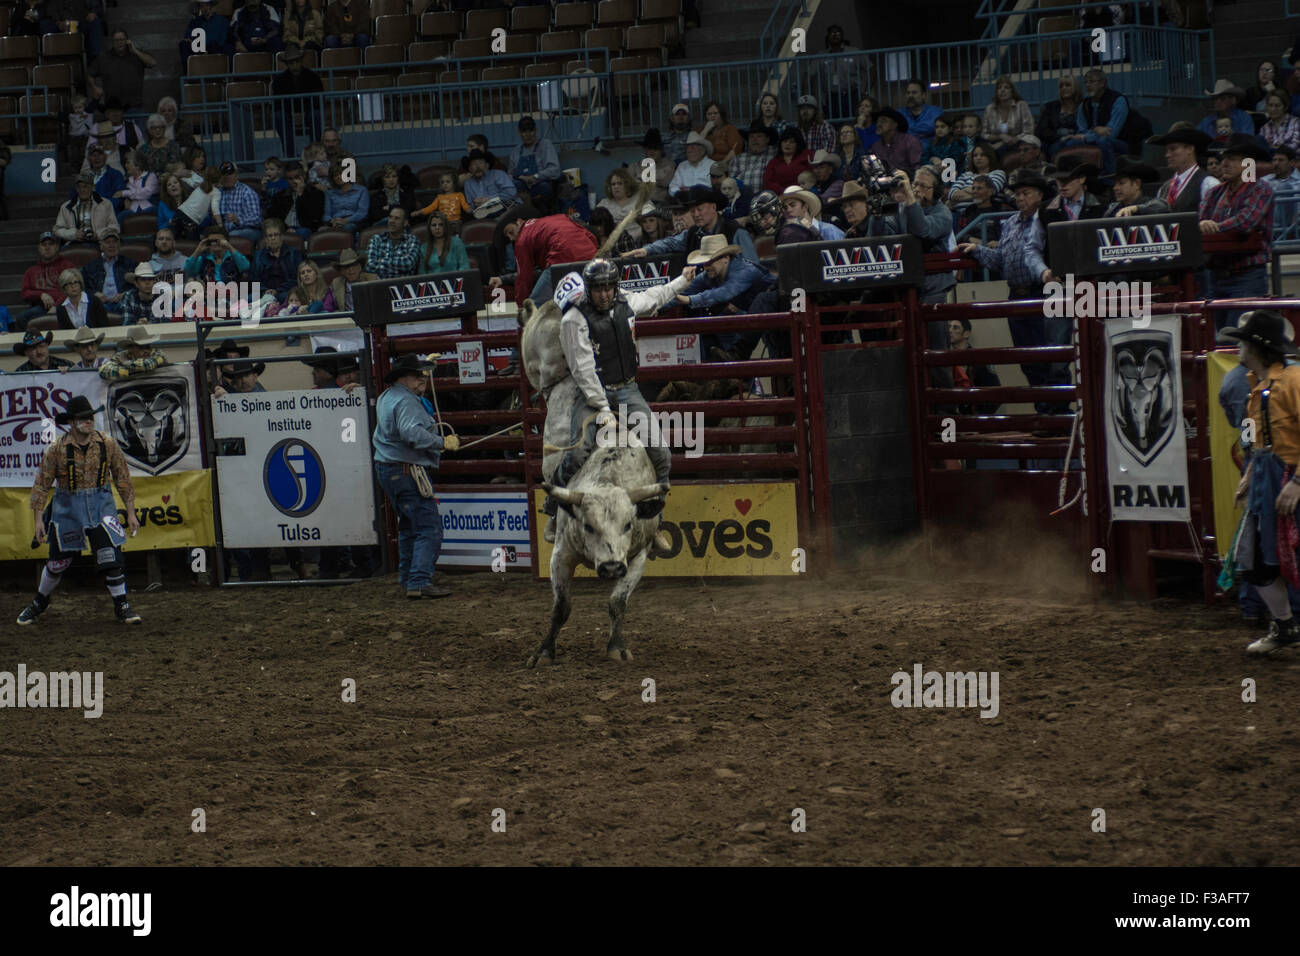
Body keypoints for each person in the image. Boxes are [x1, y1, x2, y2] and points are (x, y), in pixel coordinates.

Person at [541, 258, 693, 541]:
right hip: (592, 392)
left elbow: (653, 296)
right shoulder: (574, 320)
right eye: (599, 289)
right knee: (577, 452)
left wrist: (682, 281)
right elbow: (582, 369)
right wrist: (601, 408)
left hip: (626, 388)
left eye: (609, 287)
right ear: (589, 290)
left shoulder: (626, 304)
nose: (605, 294)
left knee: (660, 452)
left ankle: (654, 521)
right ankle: (552, 507)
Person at [17, 394, 142, 627]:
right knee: (58, 562)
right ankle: (39, 601)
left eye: (89, 417)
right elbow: (41, 485)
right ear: (71, 422)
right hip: (67, 507)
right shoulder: (56, 449)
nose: (88, 421)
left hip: (101, 504)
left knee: (111, 556)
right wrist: (38, 521)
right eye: (82, 418)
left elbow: (122, 478)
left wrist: (131, 512)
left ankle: (122, 604)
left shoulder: (107, 444)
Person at [1223, 310, 1300, 654]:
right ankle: (1285, 625)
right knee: (1255, 558)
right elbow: (1259, 441)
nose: (1237, 348)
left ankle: (1284, 624)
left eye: (1242, 342)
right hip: (1268, 478)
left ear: (1256, 347)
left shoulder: (1293, 382)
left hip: (1288, 476)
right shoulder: (1258, 385)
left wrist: (1297, 482)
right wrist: (1252, 475)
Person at [957, 171, 1064, 415]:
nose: (1020, 198)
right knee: (1028, 359)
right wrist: (978, 250)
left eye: (1026, 193)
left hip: (1043, 292)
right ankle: (1044, 411)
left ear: (1040, 195)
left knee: (1049, 356)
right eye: (1017, 194)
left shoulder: (1048, 219)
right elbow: (1002, 261)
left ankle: (1055, 412)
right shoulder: (1011, 222)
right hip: (1016, 295)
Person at [372, 354, 459, 598]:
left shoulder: (387, 397)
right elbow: (412, 434)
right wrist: (441, 442)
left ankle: (408, 576)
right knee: (428, 527)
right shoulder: (408, 402)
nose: (422, 380)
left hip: (389, 468)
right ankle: (419, 580)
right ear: (405, 378)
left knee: (409, 526)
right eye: (417, 375)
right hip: (406, 469)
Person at [1200, 135, 1275, 331]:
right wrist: (1205, 225)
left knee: (1239, 336)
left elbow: (1246, 222)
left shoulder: (1261, 189)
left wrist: (1213, 227)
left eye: (1232, 159)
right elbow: (1199, 224)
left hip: (1247, 276)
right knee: (1218, 339)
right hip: (1216, 275)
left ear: (1248, 163)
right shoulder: (1213, 193)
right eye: (1224, 158)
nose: (1224, 163)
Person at [677, 234, 776, 361]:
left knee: (783, 357)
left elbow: (723, 293)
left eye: (710, 261)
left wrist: (690, 300)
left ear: (726, 258)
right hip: (761, 320)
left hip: (781, 309)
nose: (705, 266)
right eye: (704, 263)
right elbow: (682, 292)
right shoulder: (709, 274)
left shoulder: (745, 271)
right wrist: (657, 300)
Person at [491, 207, 598, 306]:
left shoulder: (522, 239)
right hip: (590, 256)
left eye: (510, 232)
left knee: (534, 307)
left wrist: (521, 306)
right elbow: (589, 235)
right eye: (508, 237)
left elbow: (524, 277)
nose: (511, 239)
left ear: (519, 221)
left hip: (561, 259)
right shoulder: (559, 217)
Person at [632, 184, 758, 261]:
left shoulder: (736, 232)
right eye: (692, 211)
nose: (696, 214)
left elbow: (752, 268)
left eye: (700, 209)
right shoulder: (692, 233)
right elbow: (670, 243)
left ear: (713, 207)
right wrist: (646, 250)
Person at [1063, 68, 1130, 172]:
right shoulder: (1084, 104)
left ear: (1102, 83)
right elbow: (1081, 130)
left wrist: (1086, 137)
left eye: (1091, 81)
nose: (1088, 85)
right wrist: (1094, 132)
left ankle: (1109, 177)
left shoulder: (1118, 100)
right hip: (1093, 138)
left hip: (1120, 141)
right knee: (1070, 143)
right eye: (1086, 82)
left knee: (1103, 141)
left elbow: (1111, 133)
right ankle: (1079, 176)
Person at [1149, 124, 1219, 213]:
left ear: (1190, 149)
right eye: (1166, 150)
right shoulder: (1164, 189)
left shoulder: (1208, 184)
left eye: (1173, 149)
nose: (1167, 155)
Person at [271, 44, 324, 158]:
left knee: (316, 114)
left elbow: (318, 100)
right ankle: (290, 155)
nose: (295, 65)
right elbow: (277, 104)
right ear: (287, 64)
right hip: (288, 113)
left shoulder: (312, 77)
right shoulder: (279, 80)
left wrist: (303, 112)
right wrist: (293, 113)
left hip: (308, 111)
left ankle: (315, 153)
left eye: (296, 61)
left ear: (301, 61)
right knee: (279, 116)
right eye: (291, 63)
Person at [87, 29, 156, 111]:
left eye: (122, 39)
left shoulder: (136, 55)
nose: (119, 42)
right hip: (112, 107)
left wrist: (135, 51)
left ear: (127, 40)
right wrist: (94, 87)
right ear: (112, 42)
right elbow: (90, 73)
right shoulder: (104, 58)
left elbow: (152, 63)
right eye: (116, 40)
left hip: (134, 106)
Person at [19, 232, 75, 328]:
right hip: (41, 308)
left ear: (57, 247)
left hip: (65, 305)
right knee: (21, 318)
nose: (47, 247)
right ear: (39, 248)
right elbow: (25, 293)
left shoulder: (67, 265)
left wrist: (56, 306)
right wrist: (41, 294)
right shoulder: (31, 271)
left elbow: (72, 289)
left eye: (51, 244)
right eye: (44, 244)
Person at [508, 116, 562, 212]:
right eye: (524, 131)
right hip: (522, 187)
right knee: (512, 186)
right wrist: (521, 177)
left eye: (531, 130)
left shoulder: (545, 145)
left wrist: (536, 176)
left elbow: (555, 170)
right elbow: (510, 175)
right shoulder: (516, 151)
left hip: (540, 185)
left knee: (544, 188)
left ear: (536, 130)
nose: (528, 134)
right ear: (519, 132)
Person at [1040, 157, 1106, 224]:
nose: (1062, 185)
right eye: (1059, 180)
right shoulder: (1044, 210)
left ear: (1082, 179)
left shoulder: (1103, 206)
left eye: (1068, 179)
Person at [250, 218, 303, 302]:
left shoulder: (293, 253)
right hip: (264, 293)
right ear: (266, 239)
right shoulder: (258, 255)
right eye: (270, 236)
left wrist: (277, 290)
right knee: (244, 299)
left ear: (281, 237)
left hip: (285, 292)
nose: (273, 238)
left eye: (276, 235)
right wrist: (264, 290)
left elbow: (297, 278)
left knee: (286, 297)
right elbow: (254, 279)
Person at [56, 173, 116, 245]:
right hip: (74, 243)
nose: (82, 190)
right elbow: (57, 230)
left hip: (100, 243)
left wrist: (98, 234)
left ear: (93, 187)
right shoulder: (66, 207)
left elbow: (114, 227)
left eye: (85, 186)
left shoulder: (106, 204)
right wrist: (74, 234)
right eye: (79, 187)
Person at [983, 75, 1035, 158]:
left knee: (1002, 150)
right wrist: (1000, 137)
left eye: (1006, 88)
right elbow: (984, 134)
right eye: (999, 88)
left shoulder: (1021, 105)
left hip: (1018, 142)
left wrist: (1011, 140)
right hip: (995, 143)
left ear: (1012, 91)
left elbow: (1028, 131)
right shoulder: (990, 109)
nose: (1002, 90)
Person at [365, 207, 422, 279]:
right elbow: (369, 266)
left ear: (405, 223)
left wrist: (381, 261)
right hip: (380, 285)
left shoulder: (412, 240)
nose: (392, 221)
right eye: (390, 217)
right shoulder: (376, 239)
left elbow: (408, 264)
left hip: (403, 286)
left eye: (397, 218)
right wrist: (399, 265)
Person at [99, 324, 170, 380]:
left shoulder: (158, 353)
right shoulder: (121, 355)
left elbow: (147, 365)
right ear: (131, 348)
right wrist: (128, 371)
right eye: (141, 347)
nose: (146, 350)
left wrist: (125, 363)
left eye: (147, 346)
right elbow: (104, 370)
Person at [1036, 75, 1084, 158]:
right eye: (1061, 86)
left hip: (1077, 138)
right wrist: (1060, 137)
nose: (1064, 88)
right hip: (1055, 139)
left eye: (1068, 85)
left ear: (1075, 87)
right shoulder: (1050, 107)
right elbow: (1041, 130)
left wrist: (1073, 136)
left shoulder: (1084, 105)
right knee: (1051, 147)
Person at [215, 162, 264, 242]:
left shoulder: (247, 192)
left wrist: (238, 220)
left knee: (229, 236)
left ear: (236, 175)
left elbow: (257, 220)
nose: (226, 177)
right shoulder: (218, 193)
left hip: (246, 229)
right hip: (224, 230)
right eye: (224, 174)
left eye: (230, 174)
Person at [1104, 158, 1170, 217]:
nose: (1115, 188)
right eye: (1115, 184)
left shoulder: (1149, 204)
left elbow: (1163, 206)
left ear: (1137, 184)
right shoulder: (1112, 211)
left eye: (1121, 183)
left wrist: (1136, 208)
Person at [463, 149, 519, 216]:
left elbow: (511, 193)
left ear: (487, 165)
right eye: (473, 164)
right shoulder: (468, 184)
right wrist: (475, 205)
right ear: (469, 168)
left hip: (508, 206)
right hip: (484, 212)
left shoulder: (499, 174)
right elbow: (471, 206)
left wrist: (489, 200)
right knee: (479, 213)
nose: (478, 167)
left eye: (480, 163)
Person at [869, 106, 922, 176]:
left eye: (883, 121)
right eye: (878, 121)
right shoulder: (876, 146)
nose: (878, 124)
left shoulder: (910, 141)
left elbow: (917, 169)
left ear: (894, 125)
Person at [185, 227, 250, 282]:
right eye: (212, 241)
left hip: (231, 293)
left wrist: (229, 247)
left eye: (218, 240)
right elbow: (188, 271)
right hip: (209, 293)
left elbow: (245, 267)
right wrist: (198, 250)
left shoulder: (234, 257)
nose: (215, 243)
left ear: (225, 241)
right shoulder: (203, 259)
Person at [180, 0, 233, 68]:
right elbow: (188, 37)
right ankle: (190, 73)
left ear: (211, 6)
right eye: (202, 5)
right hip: (199, 50)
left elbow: (223, 40)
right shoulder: (195, 22)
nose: (204, 8)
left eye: (207, 5)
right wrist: (192, 42)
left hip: (216, 49)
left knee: (226, 47)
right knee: (183, 45)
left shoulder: (221, 21)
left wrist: (208, 48)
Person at [596, 167, 642, 243]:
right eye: (613, 184)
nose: (616, 187)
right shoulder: (604, 204)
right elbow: (594, 224)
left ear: (627, 185)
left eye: (620, 183)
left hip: (637, 241)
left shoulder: (639, 200)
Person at [763, 127, 812, 193]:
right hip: (780, 195)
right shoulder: (774, 162)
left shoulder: (806, 156)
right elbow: (768, 182)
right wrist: (785, 191)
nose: (787, 144)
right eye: (785, 141)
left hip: (803, 193)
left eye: (791, 142)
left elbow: (812, 176)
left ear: (798, 144)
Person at [901, 79, 944, 150]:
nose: (910, 96)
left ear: (923, 95)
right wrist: (926, 132)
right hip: (907, 156)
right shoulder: (900, 113)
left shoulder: (935, 112)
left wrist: (909, 132)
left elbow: (941, 132)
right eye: (908, 93)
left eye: (914, 93)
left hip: (931, 155)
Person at [137, 114, 183, 179]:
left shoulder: (174, 146)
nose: (157, 130)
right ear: (149, 130)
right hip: (149, 183)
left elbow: (178, 167)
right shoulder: (143, 149)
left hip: (169, 181)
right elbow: (141, 171)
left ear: (165, 128)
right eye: (154, 128)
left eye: (160, 127)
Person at [638, 128, 675, 203]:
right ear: (645, 150)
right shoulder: (636, 165)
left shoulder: (670, 164)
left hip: (661, 203)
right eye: (649, 148)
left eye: (655, 148)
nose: (651, 151)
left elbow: (666, 181)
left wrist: (642, 179)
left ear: (661, 149)